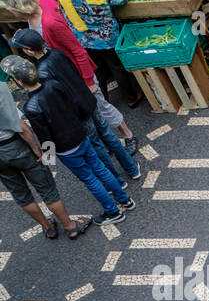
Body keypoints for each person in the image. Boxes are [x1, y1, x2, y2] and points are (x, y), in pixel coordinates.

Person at [1, 0, 138, 153]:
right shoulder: (34, 14)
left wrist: (89, 80)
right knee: (89, 111)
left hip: (77, 73)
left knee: (101, 105)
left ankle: (128, 134)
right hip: (64, 74)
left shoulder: (50, 22)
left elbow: (78, 51)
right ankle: (108, 142)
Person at [2, 55, 135, 225]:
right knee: (100, 168)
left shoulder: (31, 107)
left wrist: (49, 159)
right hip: (81, 136)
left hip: (66, 149)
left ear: (20, 83)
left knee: (90, 179)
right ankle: (125, 200)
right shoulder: (54, 85)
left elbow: (45, 136)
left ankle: (113, 212)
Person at [11, 29, 138, 185]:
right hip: (88, 100)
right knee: (108, 136)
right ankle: (132, 169)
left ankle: (117, 181)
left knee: (97, 146)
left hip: (78, 112)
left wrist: (49, 155)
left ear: (29, 50)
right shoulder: (57, 53)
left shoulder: (42, 72)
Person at [0, 75, 90, 239]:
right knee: (47, 189)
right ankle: (69, 226)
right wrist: (37, 149)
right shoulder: (0, 88)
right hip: (15, 145)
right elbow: (22, 128)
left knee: (21, 195)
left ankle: (47, 227)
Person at [45, 0, 142, 108]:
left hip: (84, 37)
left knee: (97, 69)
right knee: (116, 67)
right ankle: (131, 98)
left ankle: (103, 100)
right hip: (105, 37)